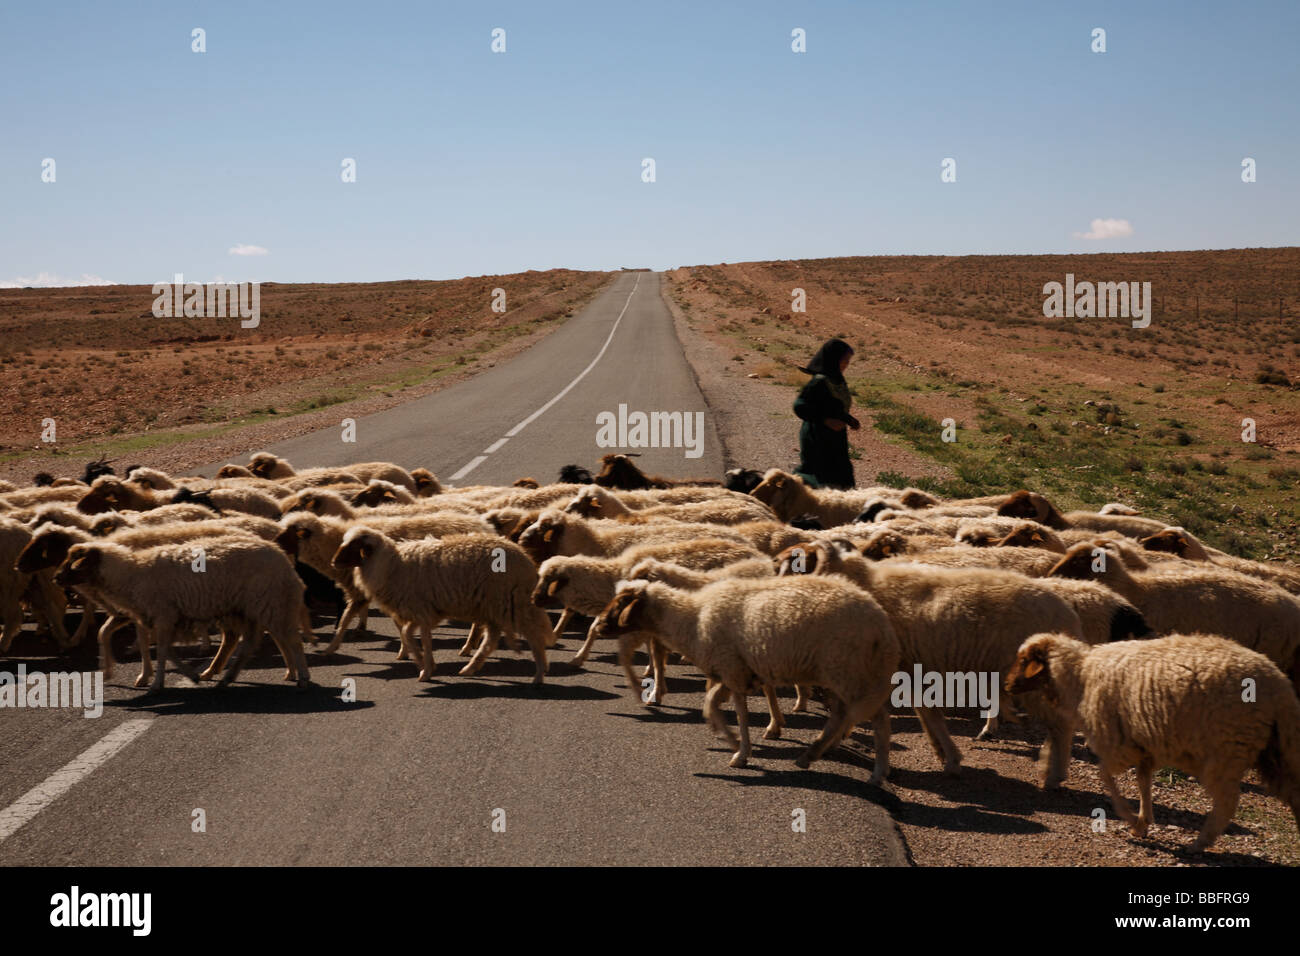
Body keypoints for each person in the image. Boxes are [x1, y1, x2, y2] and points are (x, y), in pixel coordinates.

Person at [792, 338, 860, 489]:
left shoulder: (837, 380)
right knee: (819, 474)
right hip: (817, 435)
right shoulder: (820, 381)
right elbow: (800, 406)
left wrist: (849, 419)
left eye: (848, 361)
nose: (846, 365)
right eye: (844, 360)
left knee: (840, 473)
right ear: (833, 359)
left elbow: (834, 407)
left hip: (835, 436)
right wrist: (825, 420)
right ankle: (797, 500)